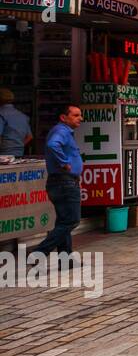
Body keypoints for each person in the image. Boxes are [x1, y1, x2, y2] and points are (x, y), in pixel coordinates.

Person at [30, 104, 83, 257]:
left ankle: (65, 259)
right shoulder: (61, 131)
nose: (80, 118)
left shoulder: (64, 131)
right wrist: (64, 162)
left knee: (63, 221)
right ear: (63, 117)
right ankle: (40, 251)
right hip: (64, 182)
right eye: (76, 115)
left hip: (61, 182)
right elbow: (53, 145)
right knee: (72, 221)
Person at [0, 88, 32, 156]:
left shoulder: (1, 114)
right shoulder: (23, 116)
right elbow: (29, 137)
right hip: (19, 153)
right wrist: (18, 146)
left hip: (3, 154)